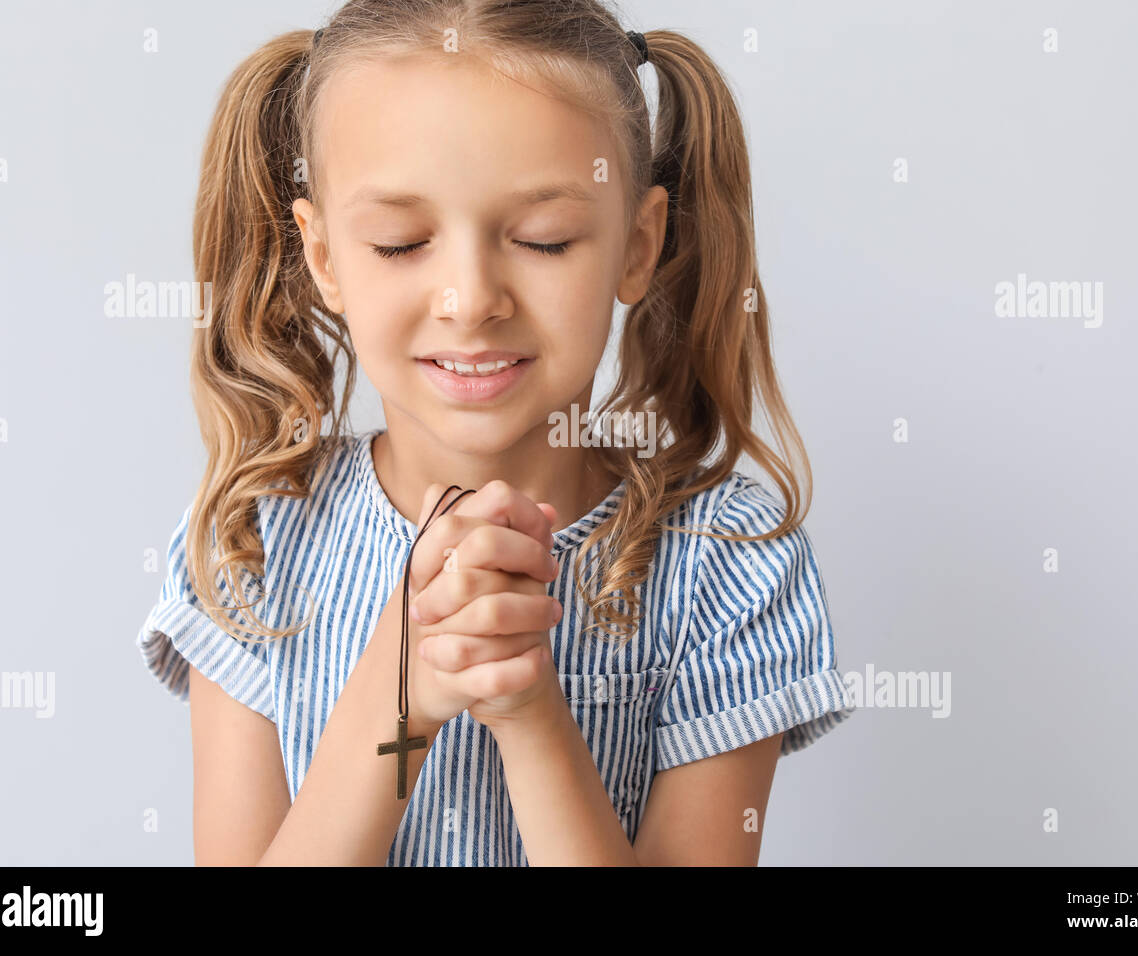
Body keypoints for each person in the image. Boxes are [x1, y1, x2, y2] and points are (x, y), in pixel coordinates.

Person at [137, 0, 857, 866]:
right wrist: (398, 696)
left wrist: (530, 713)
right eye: (402, 244)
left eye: (543, 240)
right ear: (324, 256)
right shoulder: (253, 545)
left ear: (638, 245)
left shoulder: (729, 565)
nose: (470, 297)